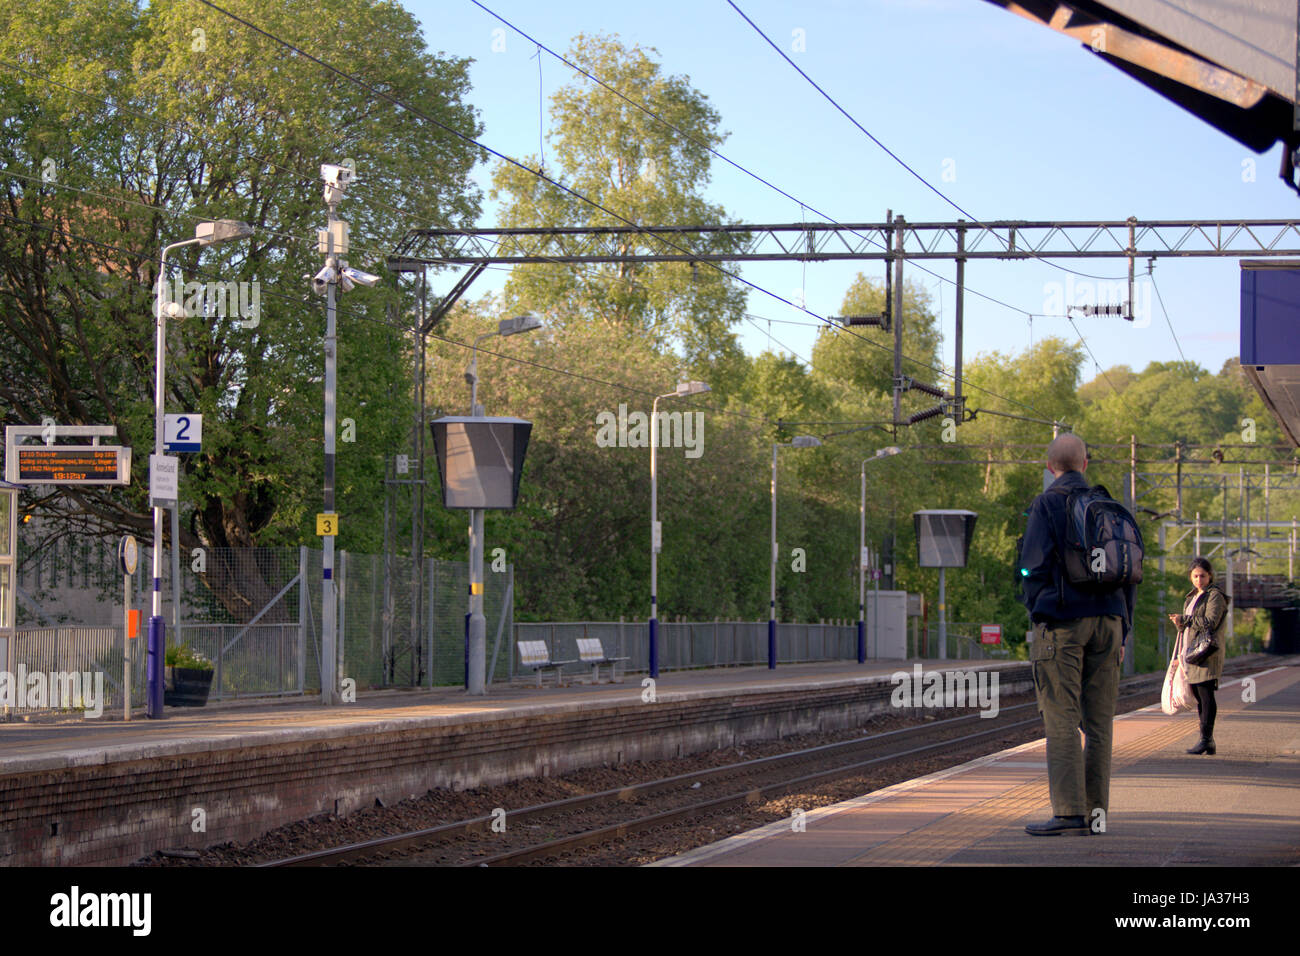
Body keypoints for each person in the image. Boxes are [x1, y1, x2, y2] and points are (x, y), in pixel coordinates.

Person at [1019, 433, 1136, 836]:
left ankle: (1069, 811)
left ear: (1051, 467)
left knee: (1062, 718)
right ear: (1085, 464)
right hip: (1110, 620)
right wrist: (1124, 630)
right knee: (1101, 723)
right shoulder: (1113, 506)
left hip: (1064, 624)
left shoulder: (1047, 503)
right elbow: (1130, 572)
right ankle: (1096, 813)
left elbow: (1031, 565)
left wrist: (1037, 609)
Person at [1167, 557, 1228, 754]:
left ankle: (1206, 739)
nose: (1199, 580)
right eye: (1195, 576)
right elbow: (1192, 624)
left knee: (1206, 694)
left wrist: (1186, 619)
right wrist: (1180, 623)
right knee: (1200, 696)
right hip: (1193, 652)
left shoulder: (1214, 596)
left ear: (1210, 576)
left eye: (1202, 576)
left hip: (1207, 652)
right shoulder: (1192, 597)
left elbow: (1210, 621)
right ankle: (1206, 740)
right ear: (1190, 577)